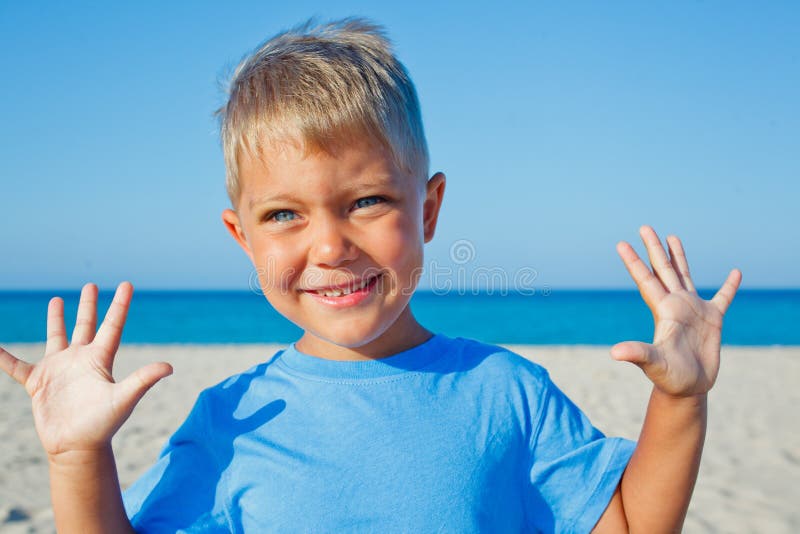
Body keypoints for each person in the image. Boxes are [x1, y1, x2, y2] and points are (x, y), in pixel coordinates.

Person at [0, 17, 741, 533]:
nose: (330, 246)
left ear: (429, 208)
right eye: (284, 215)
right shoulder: (230, 420)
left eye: (366, 201)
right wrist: (76, 457)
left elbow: (637, 525)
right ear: (241, 235)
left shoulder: (506, 393)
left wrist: (681, 400)